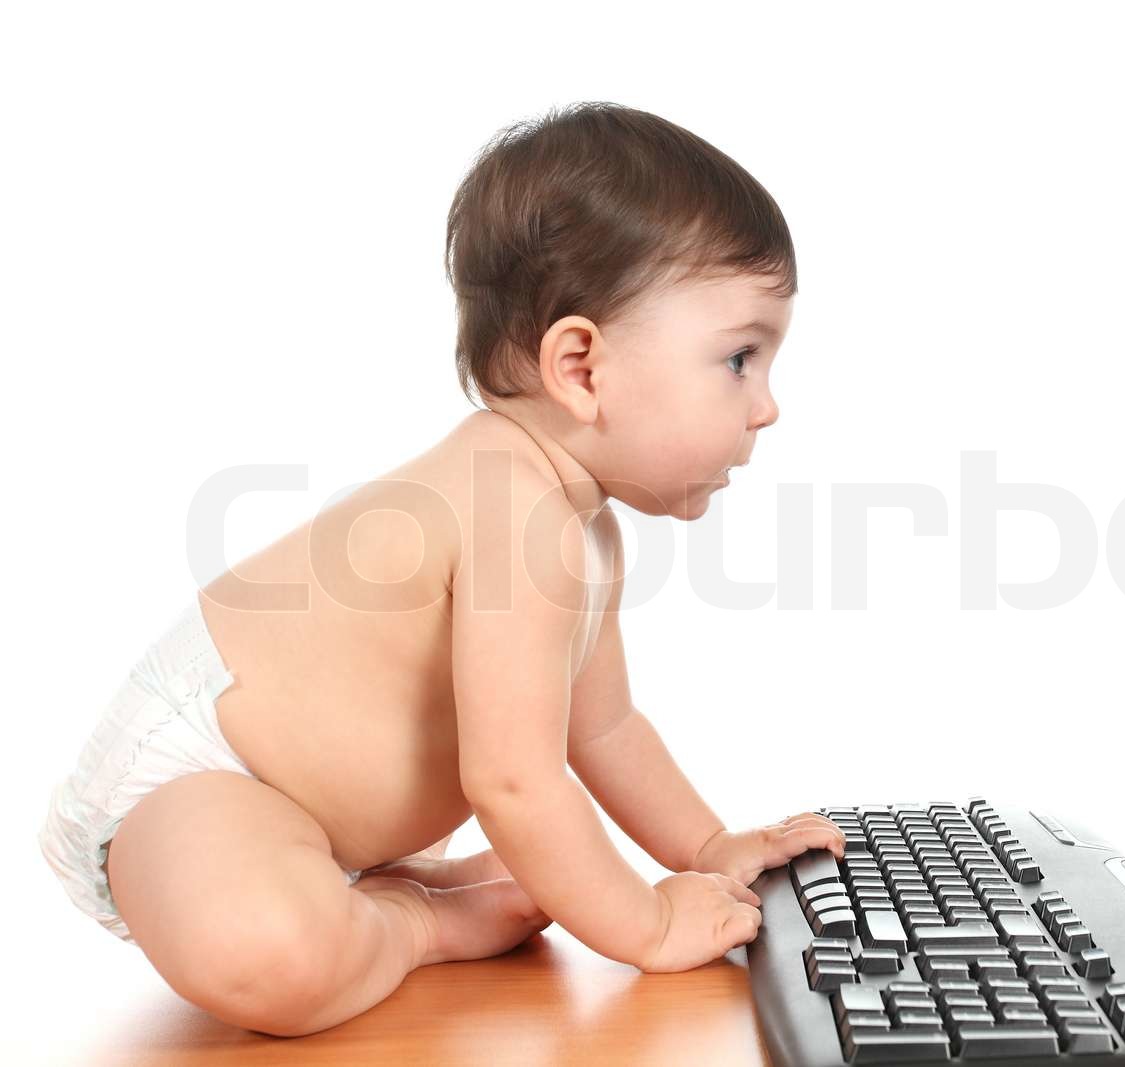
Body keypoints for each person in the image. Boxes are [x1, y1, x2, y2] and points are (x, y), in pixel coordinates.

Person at [37, 101, 846, 1037]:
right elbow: (513, 781)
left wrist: (708, 847)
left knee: (300, 919)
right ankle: (416, 916)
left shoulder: (582, 530)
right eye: (740, 358)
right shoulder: (512, 510)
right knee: (267, 957)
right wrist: (648, 922)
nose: (768, 407)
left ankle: (376, 890)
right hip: (209, 776)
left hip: (300, 820)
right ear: (581, 367)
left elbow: (606, 726)